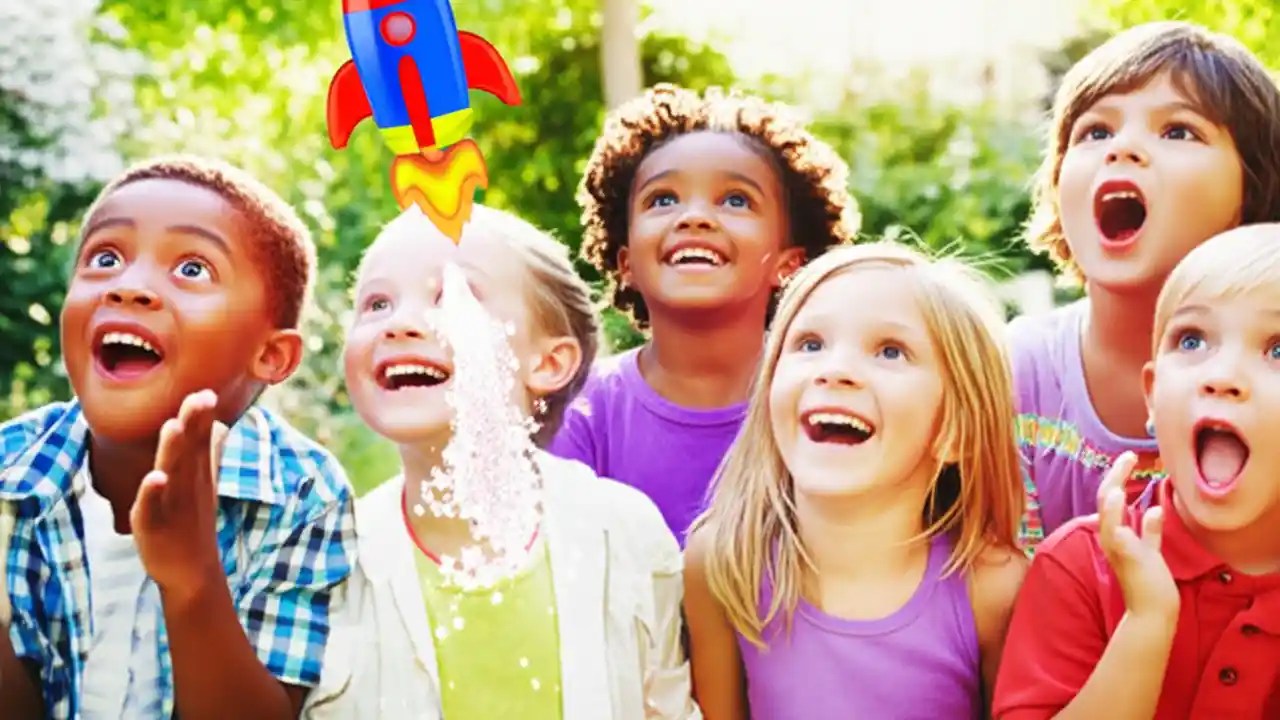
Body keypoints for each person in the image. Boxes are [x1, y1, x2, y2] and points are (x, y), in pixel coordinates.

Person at [303, 204, 699, 719]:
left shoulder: (624, 533)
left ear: (548, 362)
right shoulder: (328, 560)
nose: (399, 323)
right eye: (377, 303)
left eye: (454, 295)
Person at [0, 156, 355, 719]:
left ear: (270, 355)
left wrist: (192, 579)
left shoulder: (304, 495)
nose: (130, 286)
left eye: (192, 269)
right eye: (106, 258)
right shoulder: (9, 470)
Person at [683, 242, 1027, 719]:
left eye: (890, 351)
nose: (836, 370)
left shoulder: (992, 589)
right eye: (809, 344)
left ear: (956, 430)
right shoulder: (722, 563)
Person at [550, 83, 860, 544]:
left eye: (736, 200)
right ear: (626, 264)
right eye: (662, 200)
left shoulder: (827, 404)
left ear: (788, 263)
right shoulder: (580, 413)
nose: (694, 217)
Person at [1010, 21, 1280, 548]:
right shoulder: (1012, 374)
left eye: (1179, 131)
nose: (1123, 148)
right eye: (1095, 132)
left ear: (1255, 190)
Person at [994, 224, 1280, 719]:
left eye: (1277, 350)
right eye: (1192, 341)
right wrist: (1147, 623)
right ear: (1151, 394)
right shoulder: (1081, 565)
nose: (1221, 377)